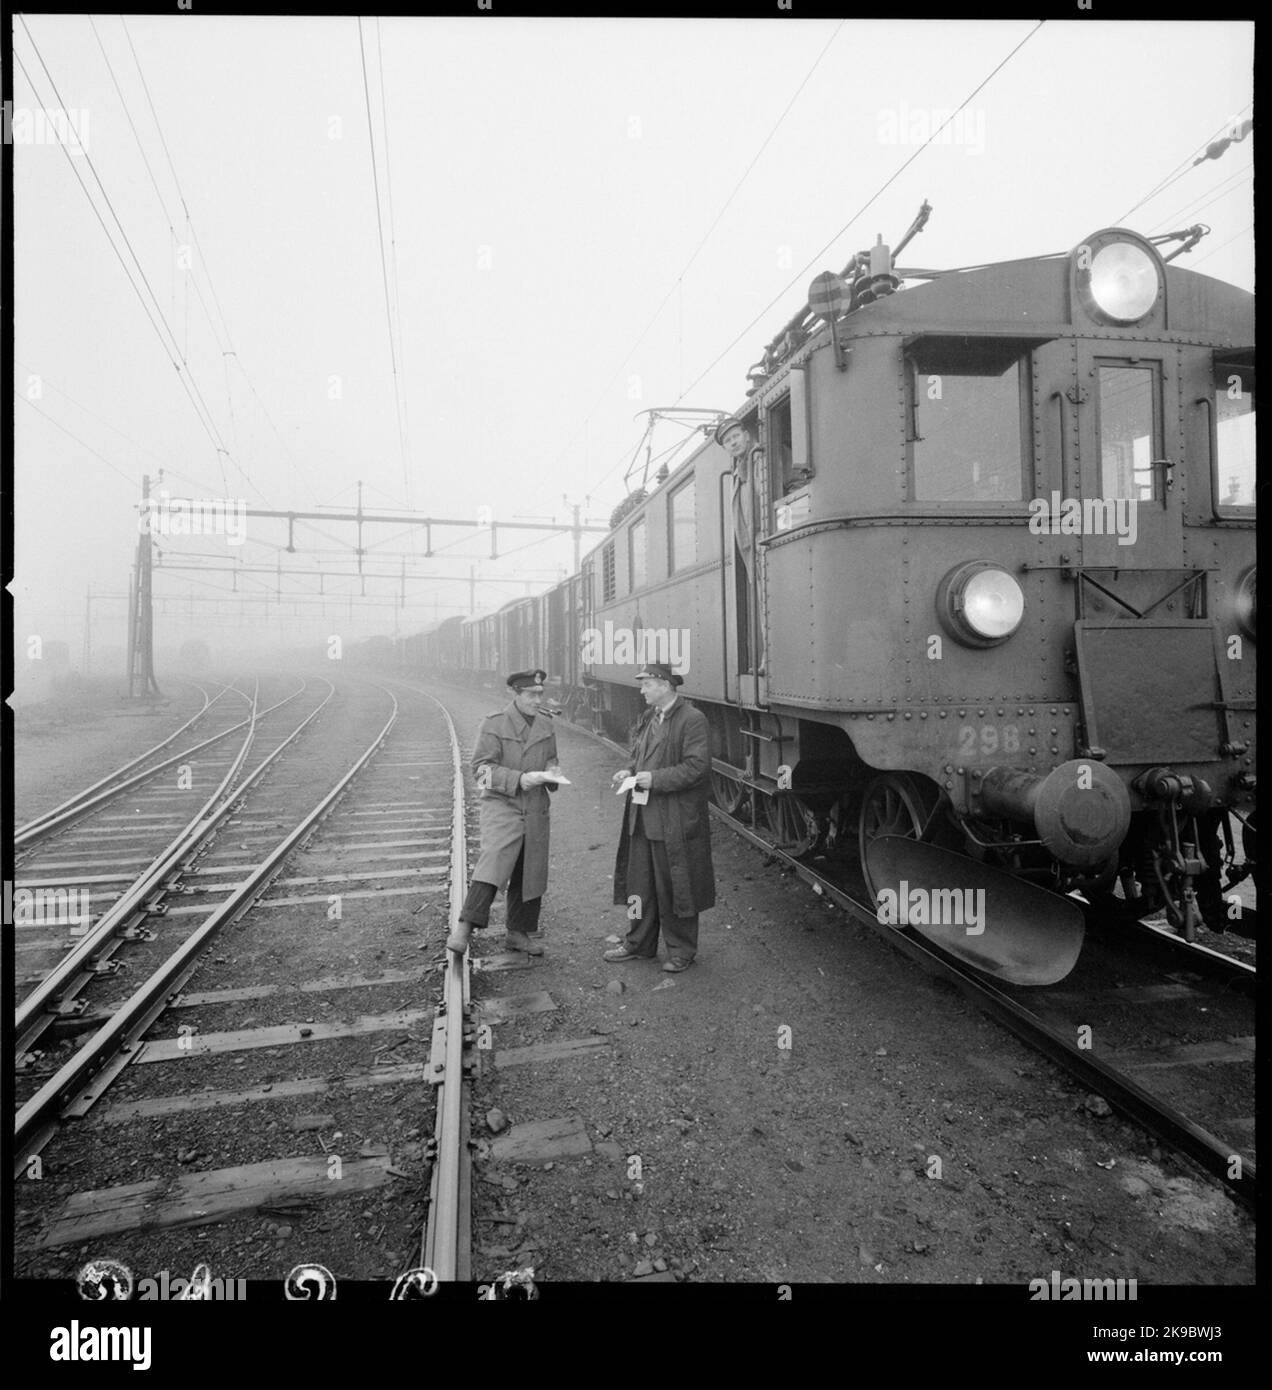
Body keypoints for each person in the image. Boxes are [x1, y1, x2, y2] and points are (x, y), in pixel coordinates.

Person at [605, 663, 715, 972]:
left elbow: (697, 767)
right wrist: (628, 770)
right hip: (642, 818)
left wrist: (655, 779)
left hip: (674, 821)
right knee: (639, 886)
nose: (641, 691)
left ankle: (681, 950)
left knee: (675, 887)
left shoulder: (692, 720)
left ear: (664, 685)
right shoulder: (649, 717)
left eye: (646, 685)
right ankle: (638, 942)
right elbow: (638, 756)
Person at [447, 669, 563, 956]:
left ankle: (518, 933)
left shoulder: (547, 726)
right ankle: (465, 927)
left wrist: (552, 773)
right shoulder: (494, 724)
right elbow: (480, 772)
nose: (538, 699)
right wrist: (518, 780)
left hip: (535, 806)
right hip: (503, 805)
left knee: (530, 868)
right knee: (495, 861)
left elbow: (551, 760)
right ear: (516, 694)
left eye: (540, 694)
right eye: (531, 694)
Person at [716, 416, 765, 673]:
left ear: (746, 435)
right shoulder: (738, 472)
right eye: (727, 441)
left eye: (735, 436)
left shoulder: (759, 459)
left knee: (769, 598)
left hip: (764, 540)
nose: (733, 442)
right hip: (753, 548)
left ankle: (772, 658)